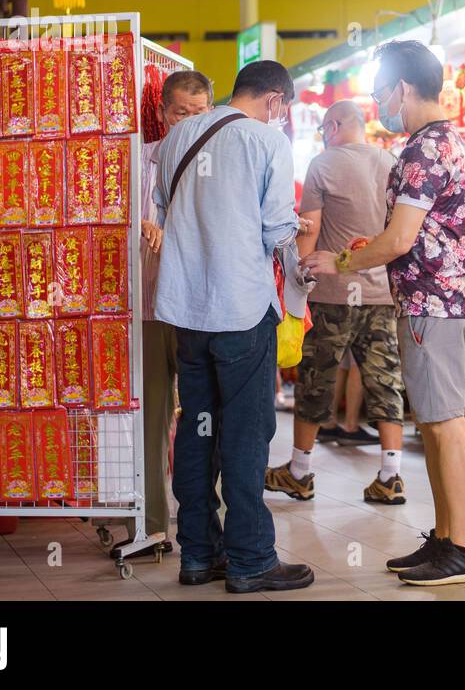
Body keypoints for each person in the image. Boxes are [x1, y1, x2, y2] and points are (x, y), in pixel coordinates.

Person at [305, 40, 465, 586]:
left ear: (403, 88)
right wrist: (376, 244)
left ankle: (464, 548)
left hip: (434, 304)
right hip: (435, 301)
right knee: (435, 425)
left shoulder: (422, 150)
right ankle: (445, 537)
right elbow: (411, 233)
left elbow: (400, 240)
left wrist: (340, 259)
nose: (379, 104)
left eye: (381, 92)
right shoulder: (441, 142)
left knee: (446, 424)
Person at [153, 59, 314, 594]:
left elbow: (165, 209)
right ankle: (251, 559)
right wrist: (300, 234)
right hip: (241, 311)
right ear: (274, 100)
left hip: (185, 311)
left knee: (198, 429)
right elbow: (275, 231)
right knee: (246, 434)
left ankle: (199, 555)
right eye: (284, 109)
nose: (282, 118)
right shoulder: (268, 143)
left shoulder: (177, 138)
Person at [265, 99, 407, 504]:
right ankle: (391, 475)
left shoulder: (323, 165)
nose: (323, 135)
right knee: (385, 380)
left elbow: (310, 233)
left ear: (336, 124)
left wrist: (294, 278)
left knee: (316, 381)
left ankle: (299, 472)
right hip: (380, 293)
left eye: (324, 127)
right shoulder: (391, 162)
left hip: (332, 294)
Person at [138, 69, 213, 551]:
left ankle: (208, 528)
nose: (187, 122)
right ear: (163, 113)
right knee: (150, 416)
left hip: (202, 309)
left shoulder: (218, 163)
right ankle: (148, 527)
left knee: (205, 416)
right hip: (146, 305)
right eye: (179, 113)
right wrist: (143, 223)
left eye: (198, 114)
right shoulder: (140, 160)